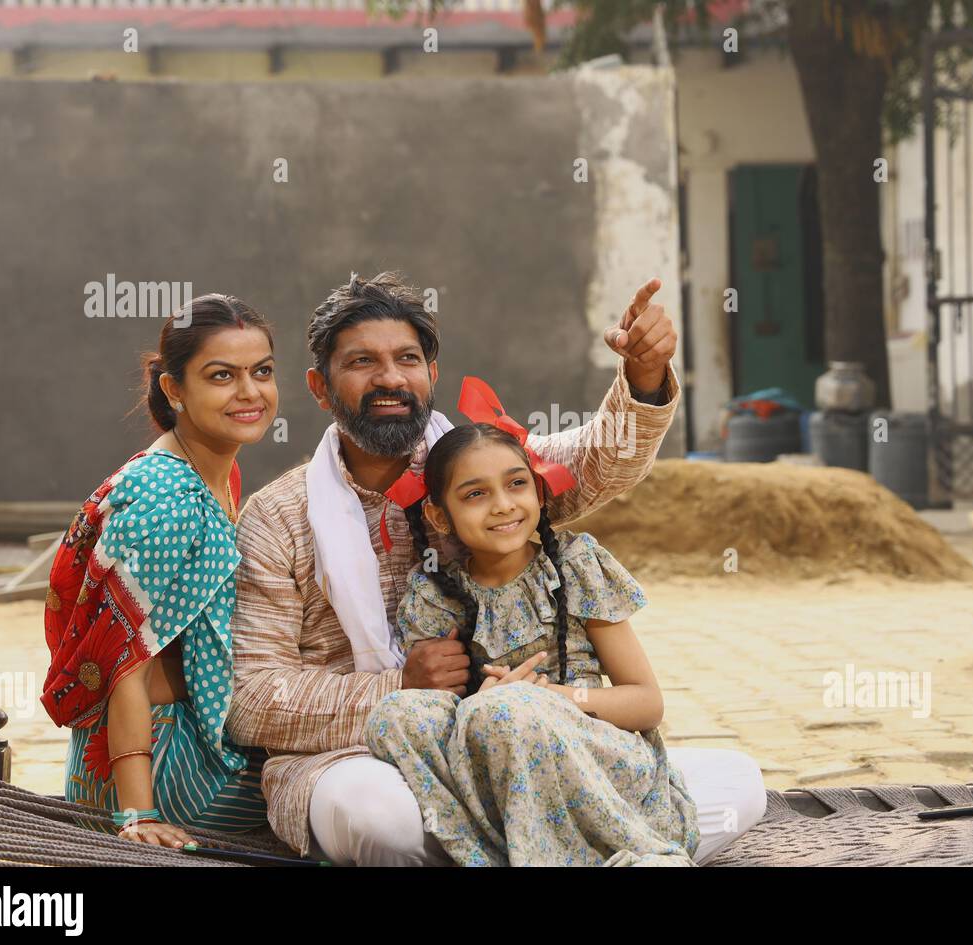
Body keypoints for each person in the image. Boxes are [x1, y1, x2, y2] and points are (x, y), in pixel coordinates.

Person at [226, 270, 766, 865]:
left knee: (739, 780)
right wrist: (399, 686)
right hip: (365, 755)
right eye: (361, 362)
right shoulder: (278, 517)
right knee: (382, 824)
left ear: (431, 375)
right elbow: (252, 700)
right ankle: (605, 843)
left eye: (407, 358)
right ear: (321, 387)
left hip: (530, 733)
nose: (389, 378)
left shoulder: (480, 470)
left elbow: (600, 458)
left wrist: (642, 373)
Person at [365, 376, 698, 865]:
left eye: (517, 484)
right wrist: (486, 707)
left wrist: (552, 700)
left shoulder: (574, 565)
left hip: (600, 759)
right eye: (475, 494)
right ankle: (492, 857)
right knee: (395, 717)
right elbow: (450, 717)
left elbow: (647, 703)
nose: (503, 505)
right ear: (440, 516)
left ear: (539, 491)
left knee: (506, 710)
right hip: (495, 758)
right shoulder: (434, 595)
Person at [42, 294, 278, 848]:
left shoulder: (214, 473)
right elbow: (123, 660)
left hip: (189, 738)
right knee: (327, 784)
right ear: (174, 389)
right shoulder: (166, 496)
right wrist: (138, 815)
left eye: (262, 372)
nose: (250, 393)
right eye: (222, 376)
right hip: (168, 765)